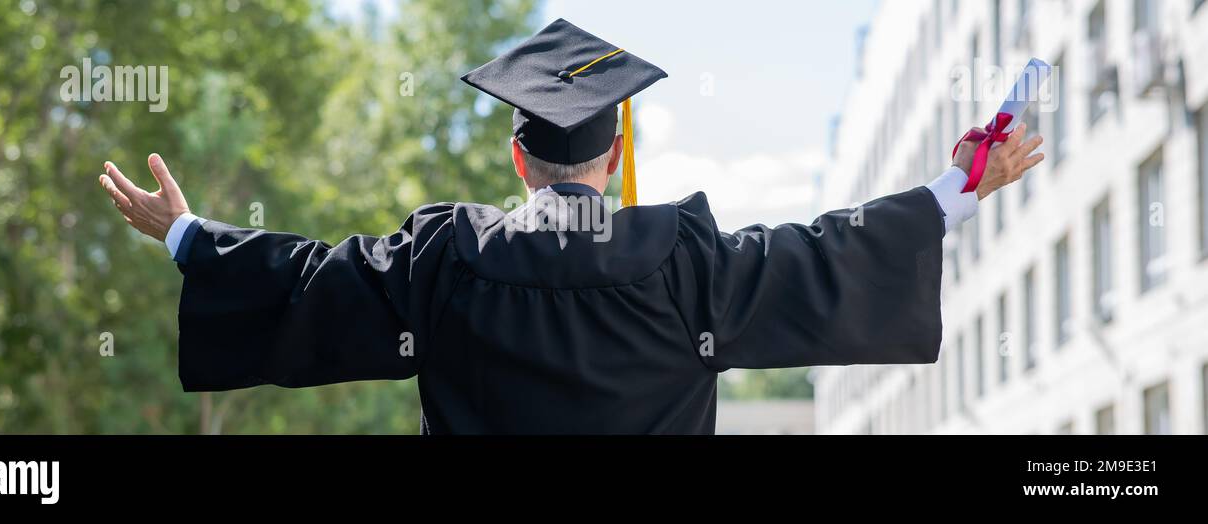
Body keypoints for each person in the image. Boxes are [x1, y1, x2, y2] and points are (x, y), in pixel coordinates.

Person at [96, 19, 1045, 434]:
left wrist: (187, 235)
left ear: (518, 160)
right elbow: (829, 254)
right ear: (617, 156)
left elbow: (309, 279)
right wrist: (958, 185)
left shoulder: (444, 261)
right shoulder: (685, 263)